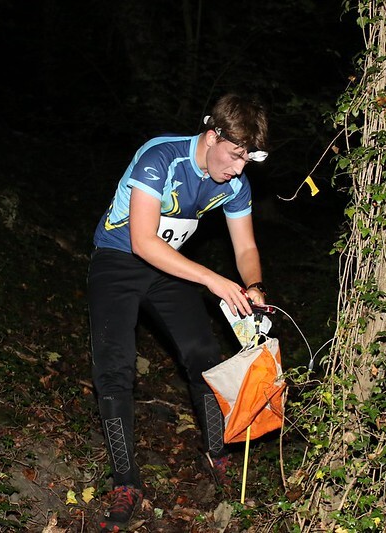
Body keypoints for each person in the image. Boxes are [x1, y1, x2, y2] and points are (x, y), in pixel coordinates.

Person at [87, 94, 270, 532]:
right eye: (235, 155)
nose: (239, 168)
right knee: (115, 367)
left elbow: (245, 247)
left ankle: (217, 454)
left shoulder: (235, 184)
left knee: (203, 355)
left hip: (169, 268)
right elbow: (143, 241)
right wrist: (212, 279)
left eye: (248, 159)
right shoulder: (162, 157)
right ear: (212, 136)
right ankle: (126, 482)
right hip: (119, 259)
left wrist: (254, 285)